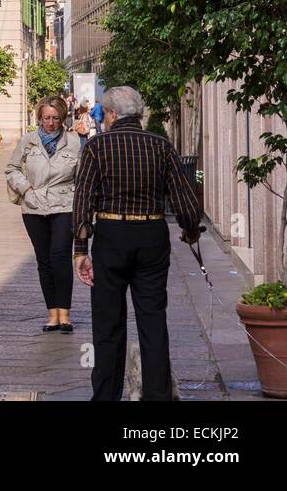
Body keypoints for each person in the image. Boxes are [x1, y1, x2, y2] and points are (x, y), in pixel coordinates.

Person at [73, 86, 203, 401]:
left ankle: (106, 396)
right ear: (139, 114)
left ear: (112, 114)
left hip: (111, 235)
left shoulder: (96, 147)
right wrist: (190, 231)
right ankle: (157, 396)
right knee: (153, 319)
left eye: (105, 114)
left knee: (108, 324)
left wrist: (80, 250)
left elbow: (83, 198)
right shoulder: (161, 146)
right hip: (151, 235)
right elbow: (183, 197)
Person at [6, 95, 80, 333]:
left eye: (55, 118)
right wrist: (26, 189)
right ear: (40, 117)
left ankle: (65, 313)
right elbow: (12, 169)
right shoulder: (28, 141)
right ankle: (52, 313)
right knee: (44, 259)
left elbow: (82, 176)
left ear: (63, 118)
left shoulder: (74, 143)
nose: (51, 123)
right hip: (34, 206)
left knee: (60, 255)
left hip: (64, 205)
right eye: (47, 118)